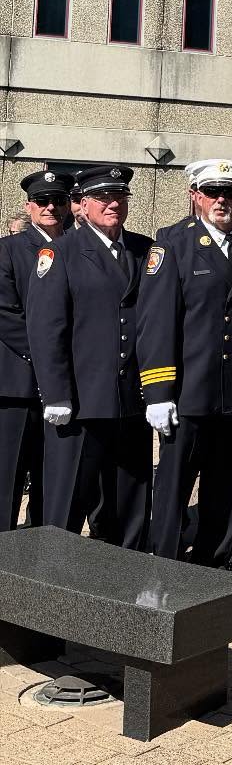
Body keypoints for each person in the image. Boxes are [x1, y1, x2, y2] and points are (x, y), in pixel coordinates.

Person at [138, 160, 232, 568]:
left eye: (230, 193)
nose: (222, 201)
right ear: (195, 195)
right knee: (175, 487)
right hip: (188, 393)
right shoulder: (172, 244)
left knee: (225, 489)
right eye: (212, 192)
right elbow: (156, 323)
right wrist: (159, 393)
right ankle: (165, 565)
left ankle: (212, 565)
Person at [27, 166, 153, 549]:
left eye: (120, 197)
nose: (113, 204)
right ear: (81, 205)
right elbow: (46, 327)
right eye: (102, 198)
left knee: (130, 500)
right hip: (82, 399)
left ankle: (126, 578)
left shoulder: (144, 249)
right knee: (68, 501)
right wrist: (55, 393)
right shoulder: (60, 252)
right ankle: (53, 582)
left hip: (133, 396)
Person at [0, 170, 73, 530]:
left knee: (53, 477)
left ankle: (43, 551)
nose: (51, 207)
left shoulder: (78, 246)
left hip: (68, 385)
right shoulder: (8, 249)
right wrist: (47, 357)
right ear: (29, 206)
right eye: (43, 201)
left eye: (58, 200)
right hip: (18, 384)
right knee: (7, 476)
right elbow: (6, 313)